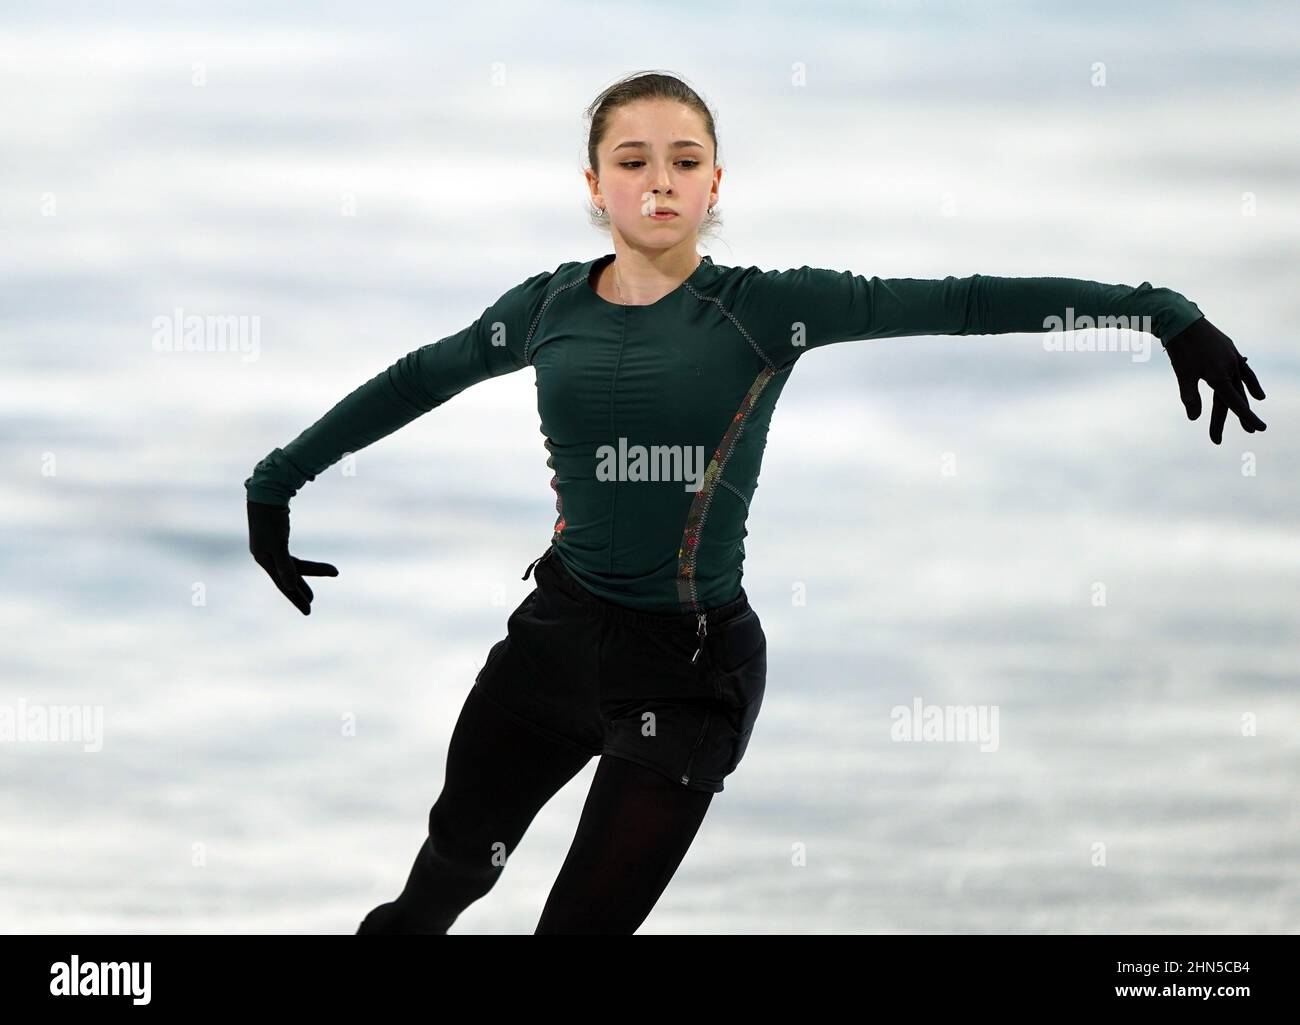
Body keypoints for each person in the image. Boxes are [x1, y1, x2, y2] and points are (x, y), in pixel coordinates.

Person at [245, 71, 1267, 934]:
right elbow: (419, 377)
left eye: (684, 159)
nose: (659, 180)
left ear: (715, 181)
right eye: (633, 160)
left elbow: (960, 300)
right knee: (441, 882)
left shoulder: (768, 309)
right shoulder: (544, 308)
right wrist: (276, 478)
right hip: (554, 640)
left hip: (689, 674)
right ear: (594, 184)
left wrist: (1159, 312)